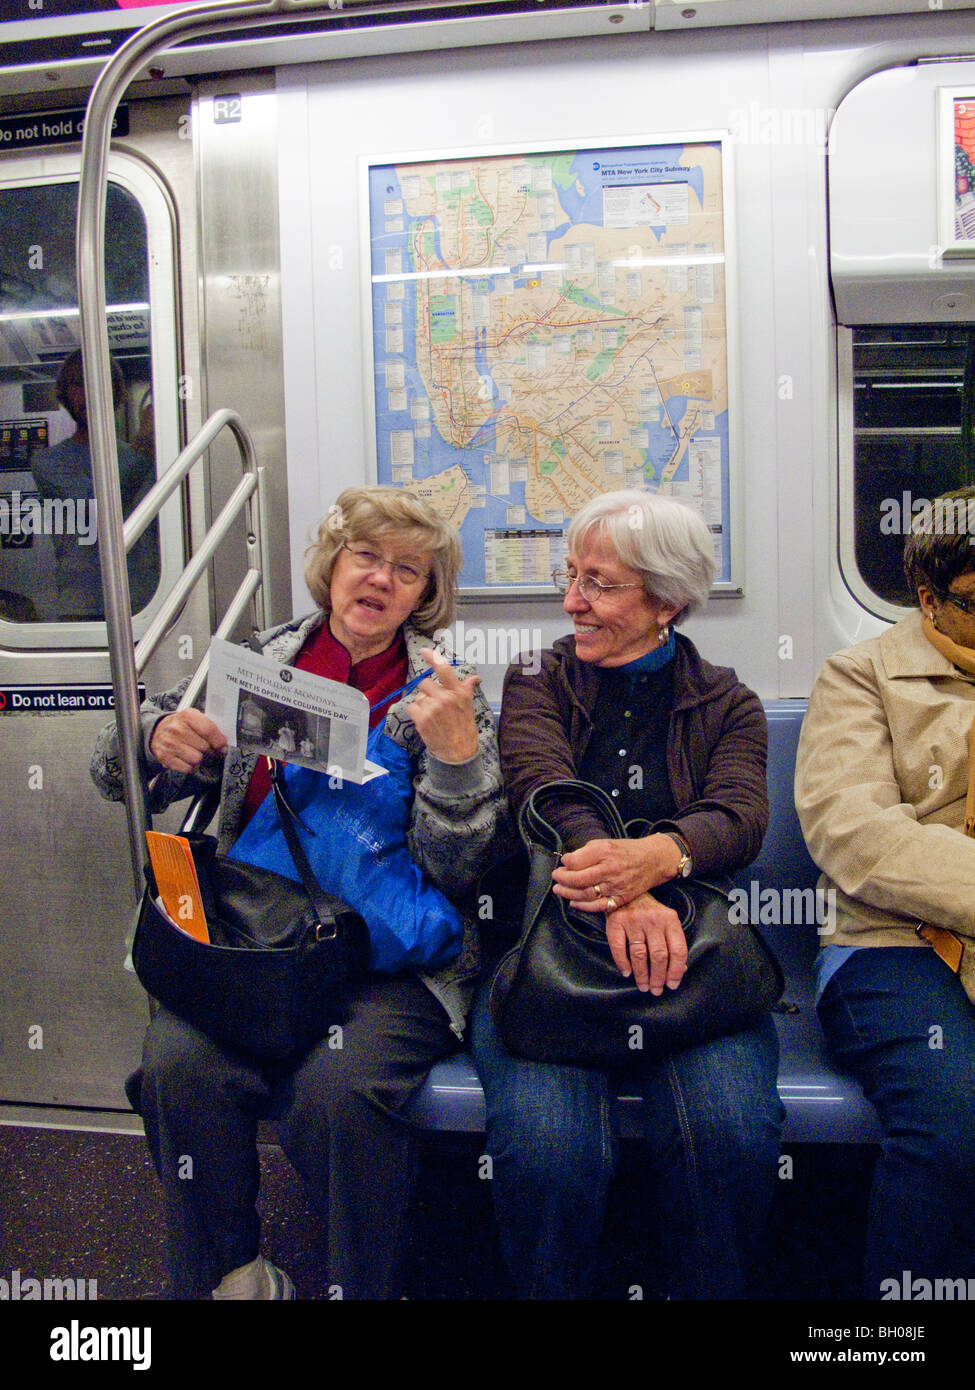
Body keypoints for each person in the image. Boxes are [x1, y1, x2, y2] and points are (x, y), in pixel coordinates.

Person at [91, 485, 507, 1299]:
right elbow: (113, 774)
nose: (380, 580)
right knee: (176, 1065)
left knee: (337, 1095)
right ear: (333, 564)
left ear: (427, 595)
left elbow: (465, 872)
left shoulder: (452, 695)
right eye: (366, 557)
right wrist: (155, 737)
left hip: (385, 964)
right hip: (258, 942)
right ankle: (233, 1279)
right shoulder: (259, 660)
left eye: (408, 571)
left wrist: (455, 764)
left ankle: (364, 1284)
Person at [469, 488, 783, 1299]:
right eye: (569, 576)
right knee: (548, 1152)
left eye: (599, 584)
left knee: (731, 1138)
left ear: (666, 601)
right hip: (549, 947)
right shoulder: (538, 677)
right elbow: (546, 789)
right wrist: (626, 886)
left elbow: (740, 817)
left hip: (689, 961)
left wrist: (660, 856)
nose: (570, 601)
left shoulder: (728, 702)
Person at [795, 485, 975, 1299]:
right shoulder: (859, 675)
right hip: (888, 944)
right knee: (952, 1125)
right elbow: (852, 833)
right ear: (929, 600)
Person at [31, 350, 159, 620]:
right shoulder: (48, 462)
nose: (88, 393)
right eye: (78, 384)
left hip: (143, 604)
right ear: (65, 395)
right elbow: (95, 506)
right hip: (83, 607)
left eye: (98, 382)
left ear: (115, 393)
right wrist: (144, 445)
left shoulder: (144, 457)